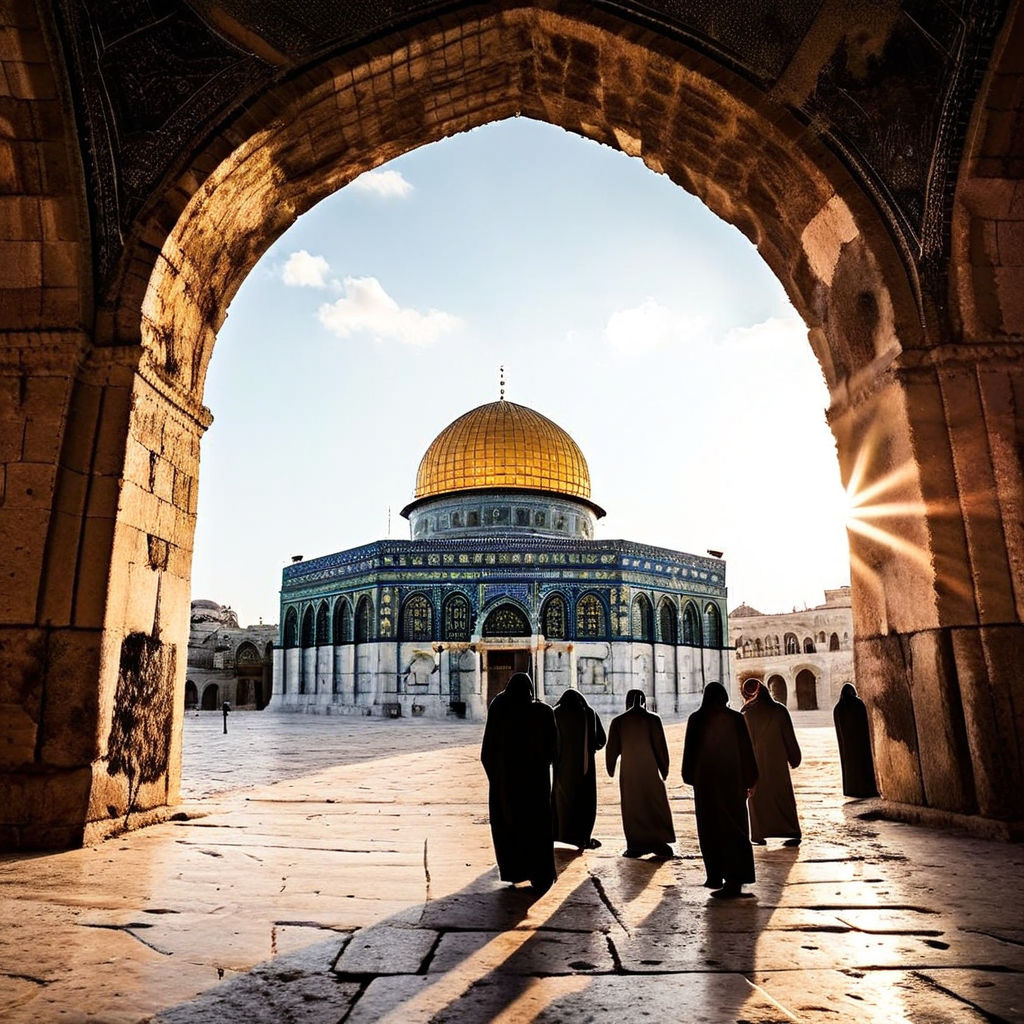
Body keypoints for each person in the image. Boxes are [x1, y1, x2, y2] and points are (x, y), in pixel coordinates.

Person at [480, 672, 558, 892]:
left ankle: (514, 870)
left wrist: (497, 780)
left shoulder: (499, 707)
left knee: (509, 825)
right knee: (538, 827)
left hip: (506, 784)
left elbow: (487, 752)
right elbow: (553, 752)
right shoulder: (543, 712)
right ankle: (540, 874)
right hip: (536, 784)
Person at [682, 682, 758, 899]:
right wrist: (751, 778)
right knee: (736, 830)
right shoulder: (736, 718)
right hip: (732, 784)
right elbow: (746, 750)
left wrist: (690, 777)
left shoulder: (696, 719)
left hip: (706, 785)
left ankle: (716, 876)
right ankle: (735, 879)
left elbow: (690, 752)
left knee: (711, 830)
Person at [605, 689, 675, 858]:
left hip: (629, 773)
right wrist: (664, 769)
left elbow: (611, 750)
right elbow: (661, 747)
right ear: (644, 701)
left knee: (632, 807)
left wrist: (611, 768)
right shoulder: (653, 719)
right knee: (655, 804)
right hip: (650, 772)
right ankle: (659, 841)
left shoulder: (619, 721)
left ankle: (635, 844)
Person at [741, 679, 802, 847]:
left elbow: (741, 744)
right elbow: (789, 736)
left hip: (755, 764)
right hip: (777, 763)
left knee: (757, 798)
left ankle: (759, 834)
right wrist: (794, 757)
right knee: (782, 794)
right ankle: (791, 831)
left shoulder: (746, 713)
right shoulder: (779, 710)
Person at [552, 688, 607, 851]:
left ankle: (559, 835)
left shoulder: (556, 713)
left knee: (560, 801)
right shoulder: (588, 713)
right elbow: (601, 740)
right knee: (584, 802)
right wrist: (591, 748)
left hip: (561, 768)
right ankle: (582, 838)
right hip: (585, 768)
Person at [833, 683, 879, 797]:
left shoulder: (838, 708)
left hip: (846, 746)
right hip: (860, 743)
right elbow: (865, 723)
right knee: (863, 765)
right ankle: (866, 789)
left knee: (849, 767)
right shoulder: (858, 704)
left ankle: (850, 789)